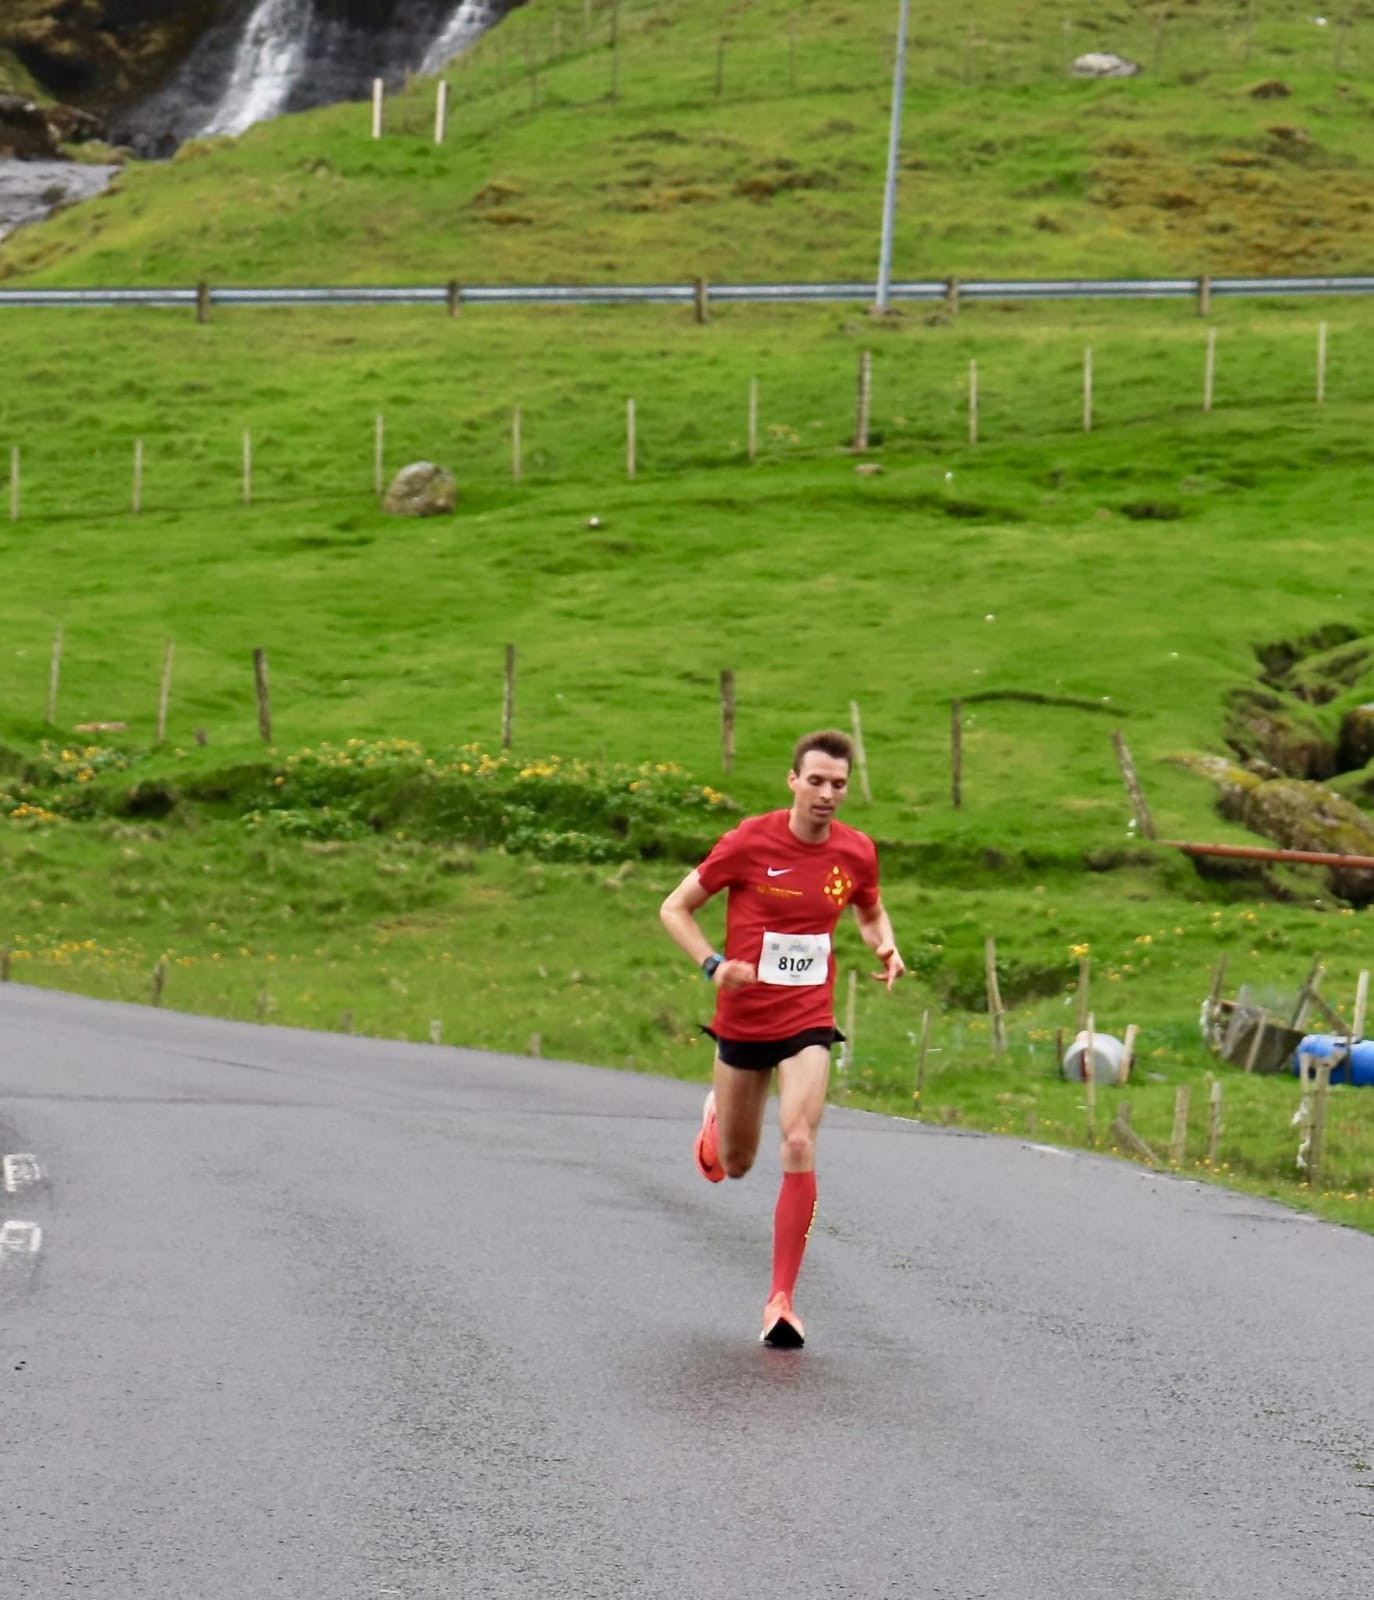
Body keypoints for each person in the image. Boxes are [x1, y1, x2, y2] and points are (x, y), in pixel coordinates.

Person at [659, 729, 905, 1348]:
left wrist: (883, 941)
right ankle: (715, 1121)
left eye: (839, 785)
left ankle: (781, 1301)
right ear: (792, 780)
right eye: (816, 781)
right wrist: (715, 966)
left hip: (806, 1018)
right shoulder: (750, 840)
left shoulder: (856, 852)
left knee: (798, 1138)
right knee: (736, 1166)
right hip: (743, 1018)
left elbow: (868, 907)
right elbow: (674, 908)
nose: (827, 794)